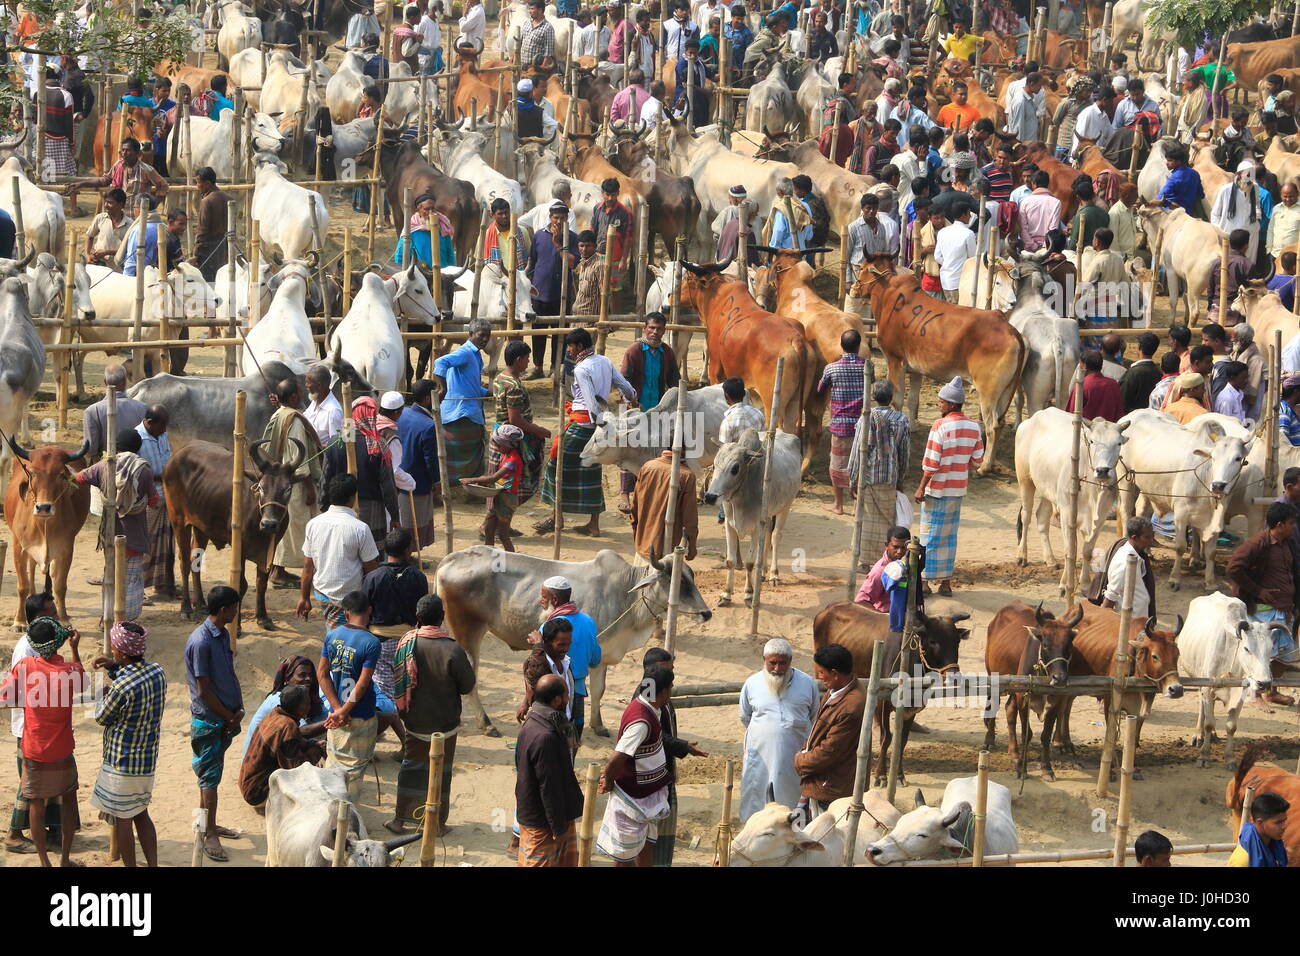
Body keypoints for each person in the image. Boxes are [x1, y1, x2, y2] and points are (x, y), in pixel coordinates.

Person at [0, 616, 88, 868]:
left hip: (34, 749)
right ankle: (64, 859)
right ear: (58, 643)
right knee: (69, 801)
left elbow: (5, 694)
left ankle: (44, 862)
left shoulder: (26, 665)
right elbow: (84, 682)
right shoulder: (69, 671)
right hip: (61, 749)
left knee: (35, 804)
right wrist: (74, 648)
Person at [385, 594, 474, 833]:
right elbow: (467, 686)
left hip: (413, 721)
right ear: (442, 617)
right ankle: (436, 823)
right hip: (446, 725)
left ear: (417, 617)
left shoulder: (406, 643)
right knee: (440, 772)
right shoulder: (453, 650)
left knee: (411, 767)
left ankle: (400, 819)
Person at [539, 328, 636, 536]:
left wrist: (598, 425)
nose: (569, 350)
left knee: (555, 465)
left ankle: (557, 517)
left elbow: (591, 404)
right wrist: (631, 399)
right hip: (598, 425)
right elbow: (627, 389)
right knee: (591, 471)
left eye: (570, 346)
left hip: (586, 423)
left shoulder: (581, 369)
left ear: (580, 347)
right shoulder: (604, 361)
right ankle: (593, 524)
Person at [185, 585, 244, 863]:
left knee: (210, 774)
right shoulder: (201, 642)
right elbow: (203, 691)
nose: (236, 612)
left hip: (224, 718)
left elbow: (229, 673)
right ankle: (209, 833)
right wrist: (227, 715)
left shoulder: (220, 635)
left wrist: (237, 708)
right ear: (224, 610)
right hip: (210, 720)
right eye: (234, 607)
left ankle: (206, 822)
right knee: (209, 778)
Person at [596, 666, 676, 866]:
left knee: (645, 846)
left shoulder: (647, 707)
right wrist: (608, 780)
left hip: (646, 794)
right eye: (671, 688)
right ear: (664, 691)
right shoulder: (641, 722)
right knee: (624, 855)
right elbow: (617, 758)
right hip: (632, 797)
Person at [5, 593, 64, 856]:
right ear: (40, 618)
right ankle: (14, 834)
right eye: (52, 614)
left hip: (44, 728)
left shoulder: (43, 641)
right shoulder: (25, 649)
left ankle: (52, 831)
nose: (57, 617)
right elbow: (15, 692)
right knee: (30, 784)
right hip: (30, 728)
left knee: (47, 782)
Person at [74, 428, 154, 620]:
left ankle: (107, 619)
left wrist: (67, 471)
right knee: (131, 581)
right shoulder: (144, 469)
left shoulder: (104, 466)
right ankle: (125, 622)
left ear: (116, 447)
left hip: (111, 536)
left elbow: (78, 479)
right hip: (134, 539)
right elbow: (154, 501)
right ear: (138, 447)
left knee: (110, 579)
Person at [737, 637, 818, 822]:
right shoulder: (752, 683)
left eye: (782, 663)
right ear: (764, 660)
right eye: (772, 663)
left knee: (791, 801)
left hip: (793, 755)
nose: (777, 668)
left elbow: (813, 715)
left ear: (790, 661)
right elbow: (745, 716)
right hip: (760, 754)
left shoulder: (807, 683)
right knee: (757, 798)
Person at [915, 377, 983, 595]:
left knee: (929, 536)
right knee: (949, 536)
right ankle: (945, 583)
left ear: (952, 404)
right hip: (957, 490)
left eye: (941, 402)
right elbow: (978, 460)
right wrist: (959, 464)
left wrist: (920, 487)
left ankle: (925, 581)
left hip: (936, 490)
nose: (939, 405)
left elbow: (931, 463)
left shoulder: (940, 426)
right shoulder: (974, 426)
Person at [1228, 502, 1300, 705]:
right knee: (1261, 653)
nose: (1294, 526)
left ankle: (1271, 692)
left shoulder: (1288, 543)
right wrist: (1259, 591)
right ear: (1279, 524)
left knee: (1280, 656)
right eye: (1291, 523)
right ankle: (1256, 695)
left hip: (1285, 610)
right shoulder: (1257, 543)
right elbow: (1234, 568)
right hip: (1263, 611)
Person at [317, 590, 381, 800]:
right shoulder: (371, 642)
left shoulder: (332, 635)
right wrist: (345, 710)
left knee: (333, 762)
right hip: (360, 714)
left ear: (345, 612)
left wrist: (337, 709)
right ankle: (345, 816)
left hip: (335, 716)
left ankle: (327, 808)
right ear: (369, 610)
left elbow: (322, 674)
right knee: (354, 769)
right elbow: (362, 685)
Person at [515, 673, 583, 866]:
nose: (569, 699)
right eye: (566, 695)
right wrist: (558, 828)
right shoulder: (545, 736)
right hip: (543, 820)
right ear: (556, 700)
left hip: (548, 814)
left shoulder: (534, 721)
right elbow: (548, 787)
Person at [298, 474, 381, 628]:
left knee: (337, 633)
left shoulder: (313, 524)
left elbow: (308, 566)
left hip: (322, 594)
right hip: (351, 597)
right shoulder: (360, 528)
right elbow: (372, 569)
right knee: (341, 637)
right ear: (352, 498)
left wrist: (304, 597)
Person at [262, 378, 321, 590]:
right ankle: (279, 572)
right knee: (296, 529)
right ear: (294, 397)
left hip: (279, 484)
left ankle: (278, 570)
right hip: (295, 484)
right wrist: (308, 488)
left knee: (286, 530)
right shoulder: (294, 422)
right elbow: (300, 458)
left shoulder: (279, 414)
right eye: (299, 392)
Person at [794, 642, 864, 817]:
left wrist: (801, 760)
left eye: (822, 672)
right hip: (822, 779)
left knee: (824, 835)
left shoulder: (851, 706)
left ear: (834, 673)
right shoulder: (836, 690)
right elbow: (816, 729)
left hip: (832, 786)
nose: (819, 676)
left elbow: (830, 751)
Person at [322, 395, 398, 545]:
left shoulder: (333, 442)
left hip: (339, 509)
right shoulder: (377, 445)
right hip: (371, 510)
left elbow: (325, 480)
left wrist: (324, 508)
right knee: (372, 556)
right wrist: (395, 516)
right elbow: (388, 486)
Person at [237, 684, 324, 808]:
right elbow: (295, 769)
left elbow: (295, 741)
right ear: (299, 708)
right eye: (307, 703)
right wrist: (317, 750)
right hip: (257, 793)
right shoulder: (287, 726)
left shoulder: (275, 713)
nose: (310, 706)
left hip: (247, 784)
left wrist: (311, 744)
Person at [430, 317, 492, 485]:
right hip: (461, 412)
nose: (485, 339)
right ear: (471, 334)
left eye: (488, 335)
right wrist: (443, 388)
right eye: (481, 335)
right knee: (466, 451)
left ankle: (462, 486)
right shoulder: (465, 352)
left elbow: (468, 384)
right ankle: (461, 486)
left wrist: (487, 392)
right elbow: (440, 362)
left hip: (465, 409)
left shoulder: (475, 355)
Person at [817, 329, 867, 514]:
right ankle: (856, 504)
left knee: (837, 465)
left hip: (839, 424)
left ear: (842, 346)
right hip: (861, 425)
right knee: (859, 464)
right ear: (858, 346)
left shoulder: (832, 367)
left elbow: (820, 388)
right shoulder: (867, 366)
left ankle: (838, 504)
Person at [527, 204, 579, 374]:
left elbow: (573, 263)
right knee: (538, 333)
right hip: (539, 293)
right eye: (555, 217)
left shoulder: (572, 238)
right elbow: (533, 262)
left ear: (567, 219)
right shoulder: (539, 236)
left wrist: (558, 244)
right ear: (550, 218)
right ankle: (538, 367)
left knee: (560, 334)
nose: (558, 221)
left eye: (562, 218)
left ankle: (555, 367)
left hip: (562, 294)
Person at [241, 656, 327, 759]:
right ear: (287, 678)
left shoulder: (307, 699)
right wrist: (330, 723)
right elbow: (298, 731)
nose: (308, 679)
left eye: (310, 675)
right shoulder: (279, 699)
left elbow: (321, 716)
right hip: (260, 759)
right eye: (302, 675)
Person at [630, 446, 699, 563]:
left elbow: (634, 508)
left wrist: (638, 538)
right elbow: (689, 519)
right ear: (684, 450)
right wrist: (692, 546)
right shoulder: (687, 476)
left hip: (643, 549)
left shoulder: (647, 467)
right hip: (668, 557)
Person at [66, 137, 167, 213]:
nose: (124, 153)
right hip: (119, 215)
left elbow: (163, 185)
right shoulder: (118, 166)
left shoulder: (146, 170)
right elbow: (105, 180)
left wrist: (152, 206)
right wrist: (81, 184)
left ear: (137, 153)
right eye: (123, 150)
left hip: (138, 217)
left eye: (128, 150)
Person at [1094, 517, 1158, 619]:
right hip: (1130, 622)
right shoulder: (1126, 562)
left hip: (1138, 619)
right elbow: (1111, 596)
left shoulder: (1135, 555)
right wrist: (1101, 621)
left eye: (1152, 536)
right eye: (1147, 537)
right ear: (1134, 537)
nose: (1151, 541)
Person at [1211, 161, 1265, 264]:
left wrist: (1257, 218)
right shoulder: (1225, 190)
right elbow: (1214, 214)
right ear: (1239, 174)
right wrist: (1221, 231)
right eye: (1248, 175)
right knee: (1229, 265)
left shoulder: (1255, 188)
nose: (1250, 178)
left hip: (1250, 234)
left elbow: (1257, 205)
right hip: (1230, 235)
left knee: (1249, 263)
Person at [855, 525, 912, 609]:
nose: (900, 552)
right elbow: (861, 601)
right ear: (887, 545)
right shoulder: (879, 571)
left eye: (904, 547)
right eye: (895, 547)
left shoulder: (909, 563)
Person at [1227, 791, 1289, 866]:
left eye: (1284, 820)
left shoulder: (1275, 846)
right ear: (1260, 822)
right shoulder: (1243, 861)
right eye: (1278, 822)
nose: (1284, 826)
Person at [1066, 350, 1123, 422]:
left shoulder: (1082, 386)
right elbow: (1119, 414)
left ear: (1084, 366)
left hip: (1086, 431)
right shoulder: (1114, 384)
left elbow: (1071, 415)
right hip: (1109, 431)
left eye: (1080, 364)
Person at [935, 205, 976, 303]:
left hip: (946, 280)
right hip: (960, 281)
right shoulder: (968, 234)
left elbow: (937, 256)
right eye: (969, 213)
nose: (970, 216)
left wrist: (949, 264)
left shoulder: (942, 232)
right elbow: (973, 259)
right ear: (963, 215)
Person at [847, 192, 900, 266]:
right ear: (862, 208)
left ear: (877, 208)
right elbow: (847, 255)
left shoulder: (881, 228)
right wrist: (848, 277)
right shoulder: (853, 228)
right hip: (858, 271)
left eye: (874, 208)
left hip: (876, 272)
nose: (871, 211)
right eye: (868, 208)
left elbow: (882, 252)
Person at [1019, 170, 1062, 253]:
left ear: (1033, 184)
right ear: (1048, 184)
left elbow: (1023, 228)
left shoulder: (1025, 202)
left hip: (1029, 250)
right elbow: (1053, 229)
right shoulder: (1056, 202)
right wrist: (1044, 247)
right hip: (1048, 248)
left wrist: (1033, 246)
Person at [1231, 324, 1267, 422]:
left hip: (1249, 406)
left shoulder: (1257, 361)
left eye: (1235, 340)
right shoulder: (1236, 353)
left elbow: (1251, 392)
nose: (1232, 342)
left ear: (1243, 340)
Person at [85, 188, 130, 264]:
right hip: (99, 262)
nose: (106, 205)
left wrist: (107, 252)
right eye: (105, 202)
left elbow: (129, 249)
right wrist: (87, 255)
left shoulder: (129, 224)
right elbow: (90, 236)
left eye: (110, 202)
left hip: (119, 265)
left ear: (121, 204)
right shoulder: (100, 218)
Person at [1156, 143, 1204, 215]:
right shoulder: (1195, 173)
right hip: (1189, 212)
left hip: (1173, 213)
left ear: (1178, 161)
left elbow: (1160, 198)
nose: (1167, 163)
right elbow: (1201, 195)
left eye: (1170, 160)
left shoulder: (1174, 178)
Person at [1120, 332, 1162, 413]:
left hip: (1134, 421)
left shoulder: (1132, 373)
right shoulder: (1158, 373)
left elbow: (1122, 400)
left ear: (1139, 347)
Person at [571, 229, 604, 318]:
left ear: (595, 246)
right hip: (577, 317)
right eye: (581, 246)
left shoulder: (599, 265)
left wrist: (603, 319)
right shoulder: (582, 263)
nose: (584, 249)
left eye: (588, 246)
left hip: (590, 320)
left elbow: (605, 294)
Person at [1005, 70, 1046, 142]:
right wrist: (1020, 148)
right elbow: (1017, 130)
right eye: (1039, 85)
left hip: (1030, 143)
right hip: (1024, 146)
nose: (1040, 88)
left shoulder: (1029, 99)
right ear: (1032, 84)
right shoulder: (1020, 102)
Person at [520, 0, 557, 70]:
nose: (529, 11)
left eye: (532, 9)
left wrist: (542, 68)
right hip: (523, 65)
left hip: (535, 68)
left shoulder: (547, 28)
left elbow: (548, 53)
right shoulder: (527, 23)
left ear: (540, 10)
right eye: (529, 9)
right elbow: (520, 42)